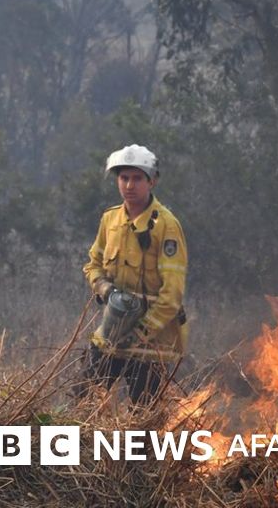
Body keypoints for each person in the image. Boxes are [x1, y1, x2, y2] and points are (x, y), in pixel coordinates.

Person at [77, 144, 189, 404]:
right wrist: (104, 288)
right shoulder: (110, 220)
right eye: (124, 178)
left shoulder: (167, 226)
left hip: (151, 343)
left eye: (137, 178)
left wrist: (139, 333)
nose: (129, 185)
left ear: (152, 181)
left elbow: (172, 296)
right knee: (84, 401)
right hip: (111, 334)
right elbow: (93, 265)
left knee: (143, 413)